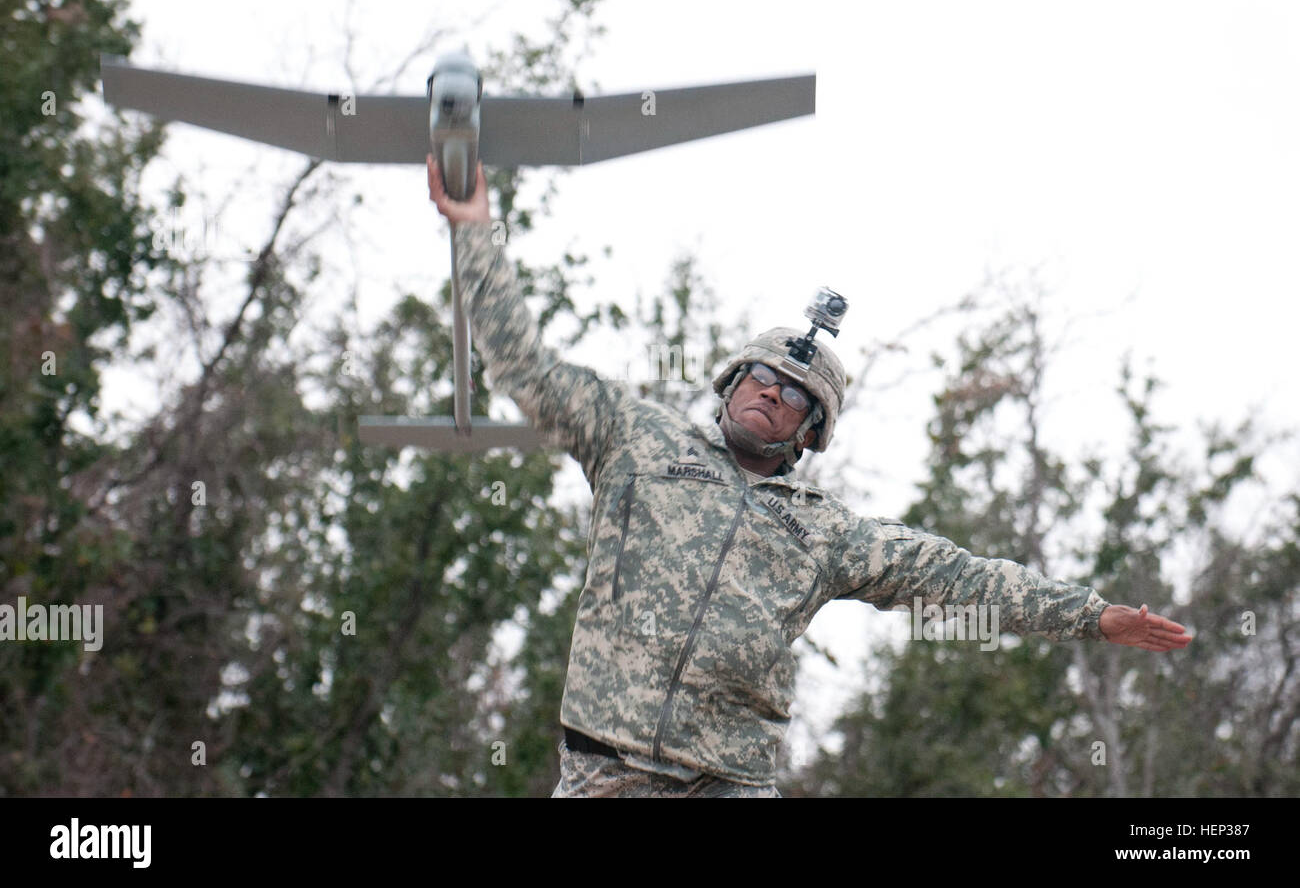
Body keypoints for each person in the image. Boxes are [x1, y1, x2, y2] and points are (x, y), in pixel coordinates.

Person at [427, 157, 1193, 798]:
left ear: (809, 433)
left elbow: (964, 581)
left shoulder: (826, 530)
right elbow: (524, 364)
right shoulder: (635, 438)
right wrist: (473, 232)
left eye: (796, 395)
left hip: (728, 778)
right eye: (761, 376)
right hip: (605, 766)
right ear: (730, 383)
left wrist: (1093, 616)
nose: (772, 392)